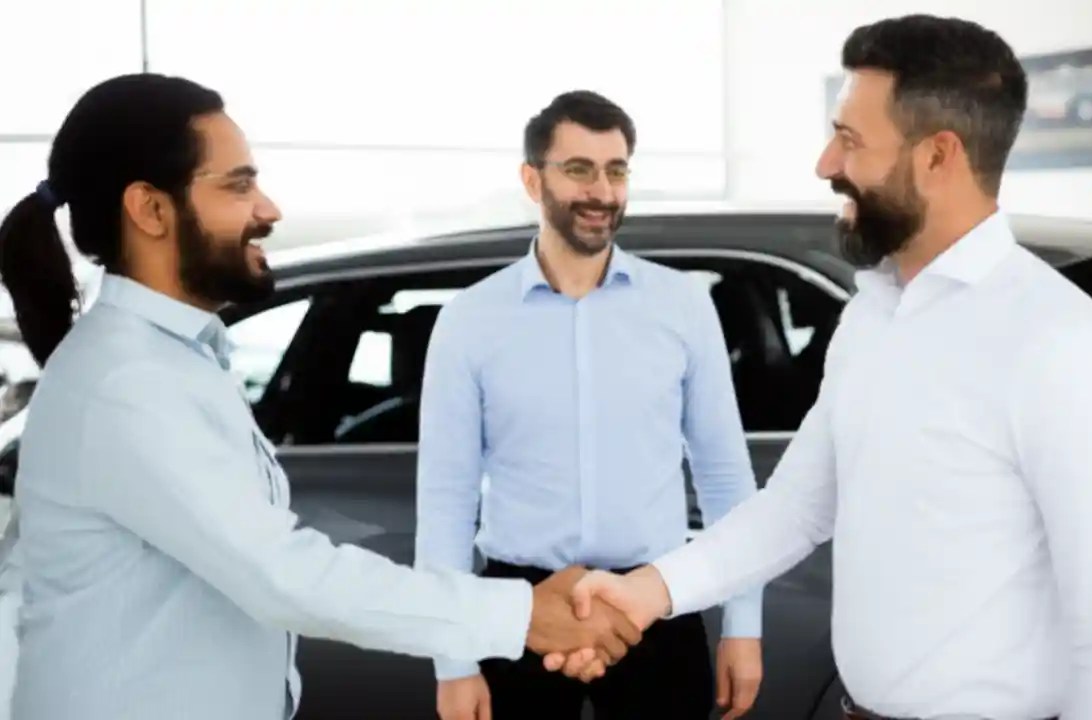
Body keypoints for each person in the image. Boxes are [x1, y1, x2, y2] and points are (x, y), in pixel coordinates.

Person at [560, 14, 1092, 720]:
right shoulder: (875, 314)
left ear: (937, 156)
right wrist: (647, 592)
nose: (826, 164)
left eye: (850, 139)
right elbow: (796, 507)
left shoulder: (1065, 348)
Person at [0, 73, 640, 720]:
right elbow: (287, 577)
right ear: (151, 210)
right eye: (239, 185)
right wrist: (526, 614)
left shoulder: (172, 362)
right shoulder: (127, 382)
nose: (268, 210)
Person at [415, 90, 764, 720]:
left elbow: (724, 477)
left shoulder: (682, 306)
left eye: (616, 170)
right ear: (532, 178)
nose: (601, 191)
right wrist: (454, 660)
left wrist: (744, 624)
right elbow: (445, 498)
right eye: (579, 169)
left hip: (657, 605)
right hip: (515, 614)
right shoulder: (470, 320)